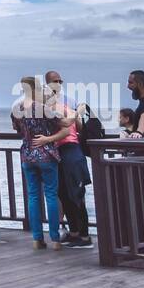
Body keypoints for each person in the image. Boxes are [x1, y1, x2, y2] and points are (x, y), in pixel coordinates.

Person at [11, 75, 69, 250]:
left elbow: (17, 130)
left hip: (28, 155)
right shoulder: (43, 108)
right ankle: (55, 239)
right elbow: (64, 125)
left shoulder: (16, 109)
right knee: (51, 195)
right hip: (46, 154)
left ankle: (37, 238)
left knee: (33, 196)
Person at [44, 71, 92, 249]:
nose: (58, 84)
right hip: (60, 152)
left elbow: (74, 125)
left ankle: (85, 236)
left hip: (71, 150)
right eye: (54, 82)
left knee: (76, 195)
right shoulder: (51, 106)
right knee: (64, 194)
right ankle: (74, 233)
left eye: (59, 81)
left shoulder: (63, 105)